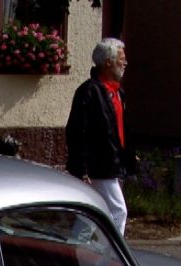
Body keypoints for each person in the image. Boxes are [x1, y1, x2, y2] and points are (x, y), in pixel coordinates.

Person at [65, 38, 133, 236]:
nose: (125, 63)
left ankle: (74, 254)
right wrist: (82, 168)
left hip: (111, 163)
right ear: (108, 62)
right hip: (99, 166)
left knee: (91, 214)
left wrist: (127, 156)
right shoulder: (89, 91)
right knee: (118, 211)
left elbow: (119, 130)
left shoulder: (118, 92)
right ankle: (111, 260)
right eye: (121, 58)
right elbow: (78, 132)